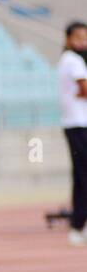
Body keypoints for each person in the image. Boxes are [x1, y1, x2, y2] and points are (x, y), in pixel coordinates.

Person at [58, 21, 87, 246]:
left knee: (80, 177)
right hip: (78, 124)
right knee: (84, 176)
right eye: (79, 38)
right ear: (68, 39)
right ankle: (78, 224)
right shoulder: (73, 60)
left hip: (76, 123)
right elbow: (84, 89)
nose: (83, 42)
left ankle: (79, 225)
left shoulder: (71, 60)